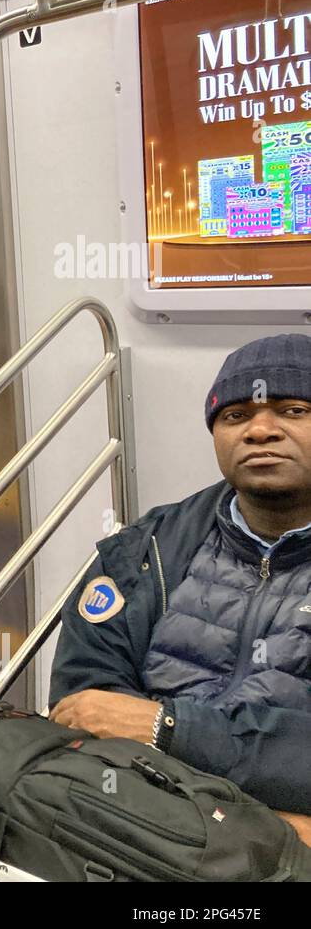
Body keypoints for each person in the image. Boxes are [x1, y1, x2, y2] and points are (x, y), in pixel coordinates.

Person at [49, 333, 311, 844]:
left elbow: (132, 723)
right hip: (151, 819)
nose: (260, 430)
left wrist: (167, 728)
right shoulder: (141, 552)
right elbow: (85, 704)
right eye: (234, 416)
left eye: (294, 409)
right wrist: (235, 822)